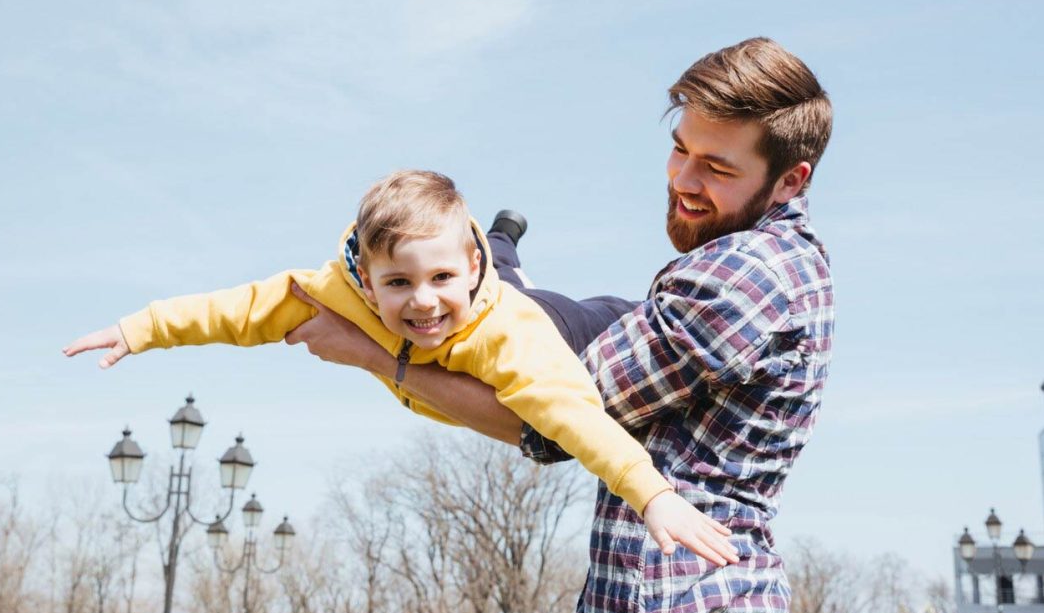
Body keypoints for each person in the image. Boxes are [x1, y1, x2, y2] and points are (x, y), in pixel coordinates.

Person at [282, 37, 835, 613]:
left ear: (790, 180)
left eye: (718, 167)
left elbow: (546, 419)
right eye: (681, 149)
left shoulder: (738, 278)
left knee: (543, 315)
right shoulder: (775, 265)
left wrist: (373, 353)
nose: (683, 180)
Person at [63, 169, 739, 566]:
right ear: (364, 274)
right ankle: (502, 238)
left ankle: (503, 244)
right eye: (397, 284)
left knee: (569, 307)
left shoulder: (514, 338)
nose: (421, 304)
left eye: (441, 276)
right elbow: (235, 310)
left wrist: (652, 494)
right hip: (482, 277)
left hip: (568, 325)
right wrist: (140, 328)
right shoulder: (333, 288)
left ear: (465, 268)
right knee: (493, 272)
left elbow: (573, 419)